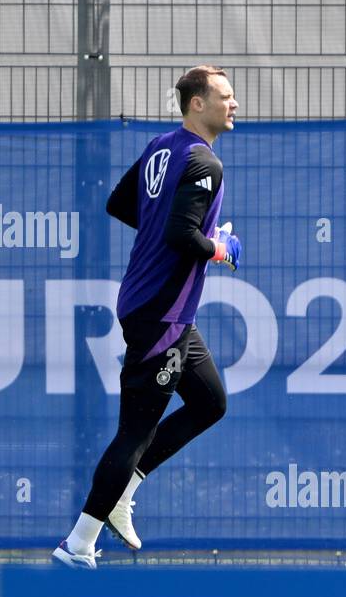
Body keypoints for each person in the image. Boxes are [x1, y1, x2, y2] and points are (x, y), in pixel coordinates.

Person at [52, 65, 241, 568]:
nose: (234, 103)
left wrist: (168, 225)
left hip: (162, 311)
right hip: (161, 313)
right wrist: (219, 248)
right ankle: (79, 544)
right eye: (224, 96)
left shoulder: (163, 145)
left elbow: (120, 203)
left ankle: (124, 491)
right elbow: (182, 235)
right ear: (196, 103)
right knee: (134, 433)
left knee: (209, 403)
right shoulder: (204, 162)